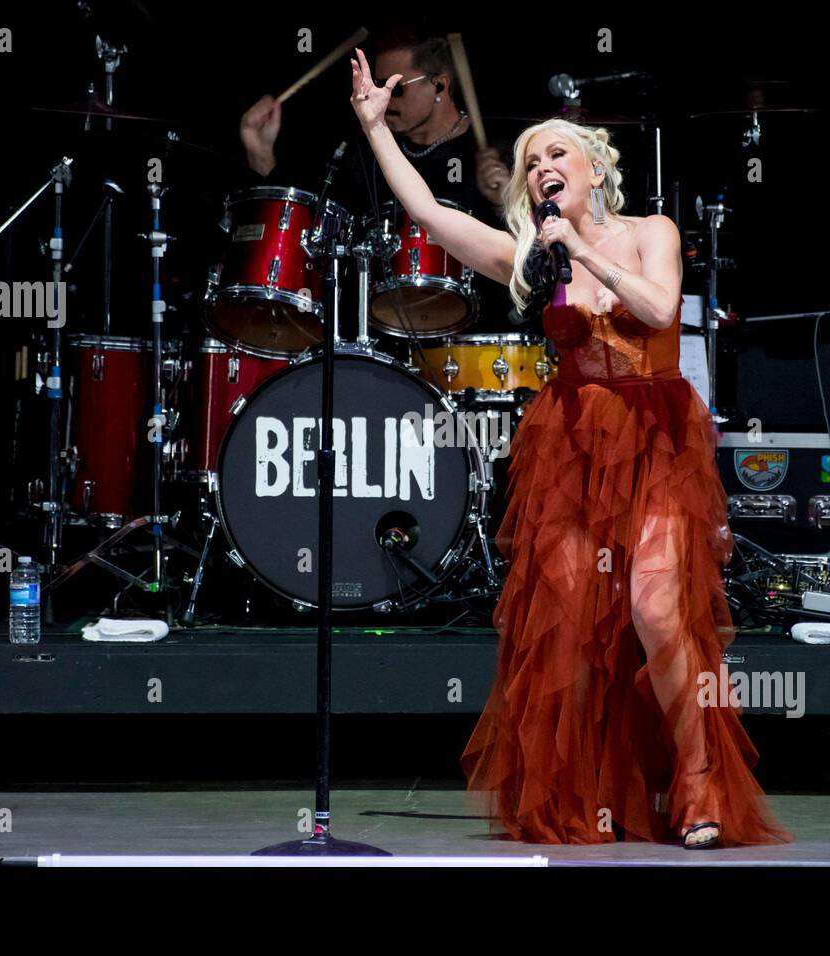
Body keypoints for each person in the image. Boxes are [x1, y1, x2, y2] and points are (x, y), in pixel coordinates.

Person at [350, 49, 794, 848]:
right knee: (566, 622)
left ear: (594, 168)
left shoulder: (648, 231)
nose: (542, 166)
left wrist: (586, 253)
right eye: (531, 161)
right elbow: (427, 214)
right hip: (571, 445)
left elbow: (659, 312)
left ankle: (697, 787)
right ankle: (586, 790)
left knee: (658, 611)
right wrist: (378, 130)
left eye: (557, 152)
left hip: (654, 437)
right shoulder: (533, 259)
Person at [239, 33, 519, 336]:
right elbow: (307, 222)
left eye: (396, 88)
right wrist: (261, 156)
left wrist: (502, 202)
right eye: (378, 86)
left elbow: (529, 256)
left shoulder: (498, 150)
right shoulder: (361, 151)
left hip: (477, 337)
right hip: (380, 335)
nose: (384, 100)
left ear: (439, 83)